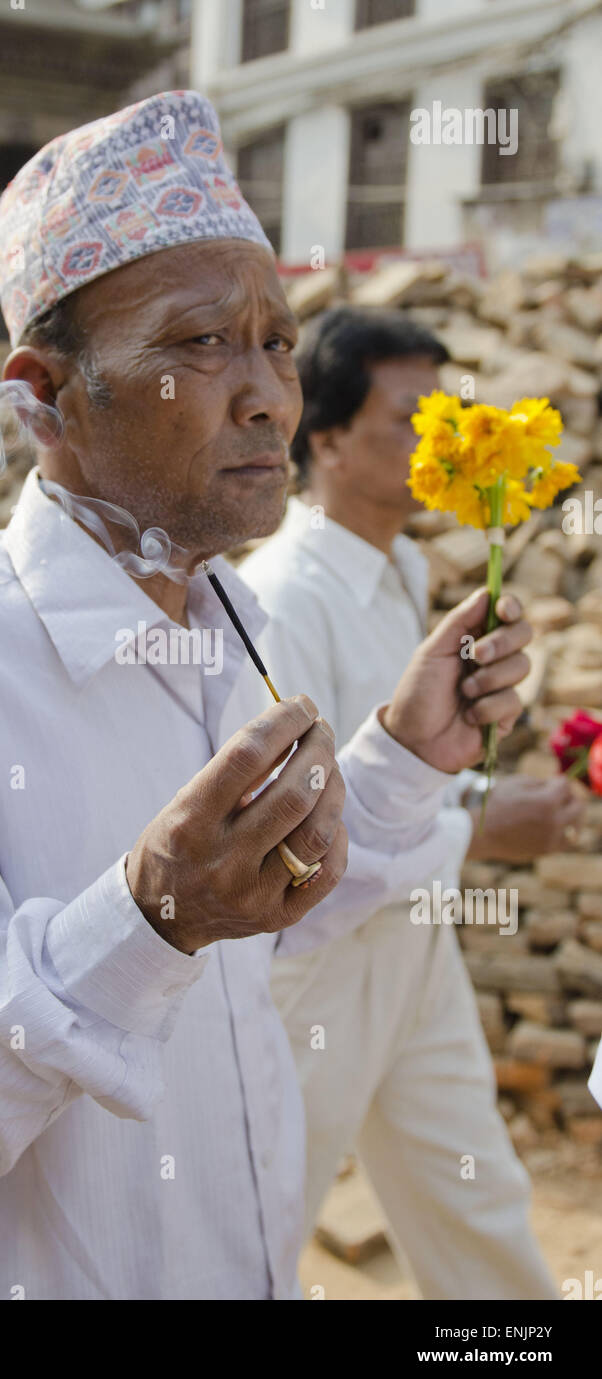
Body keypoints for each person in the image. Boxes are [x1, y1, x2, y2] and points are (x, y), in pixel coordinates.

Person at [0, 94, 532, 1301]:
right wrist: (143, 922)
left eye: (276, 343)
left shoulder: (236, 620)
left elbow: (266, 931)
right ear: (48, 395)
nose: (266, 399)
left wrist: (401, 754)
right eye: (195, 344)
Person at [240, 306, 583, 1299]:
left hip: (411, 947)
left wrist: (472, 789)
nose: (440, 438)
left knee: (471, 1201)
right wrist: (477, 829)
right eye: (410, 416)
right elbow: (297, 828)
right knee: (262, 1217)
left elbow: (398, 768)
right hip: (319, 971)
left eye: (449, 415)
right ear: (328, 436)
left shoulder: (396, 569)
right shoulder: (285, 597)